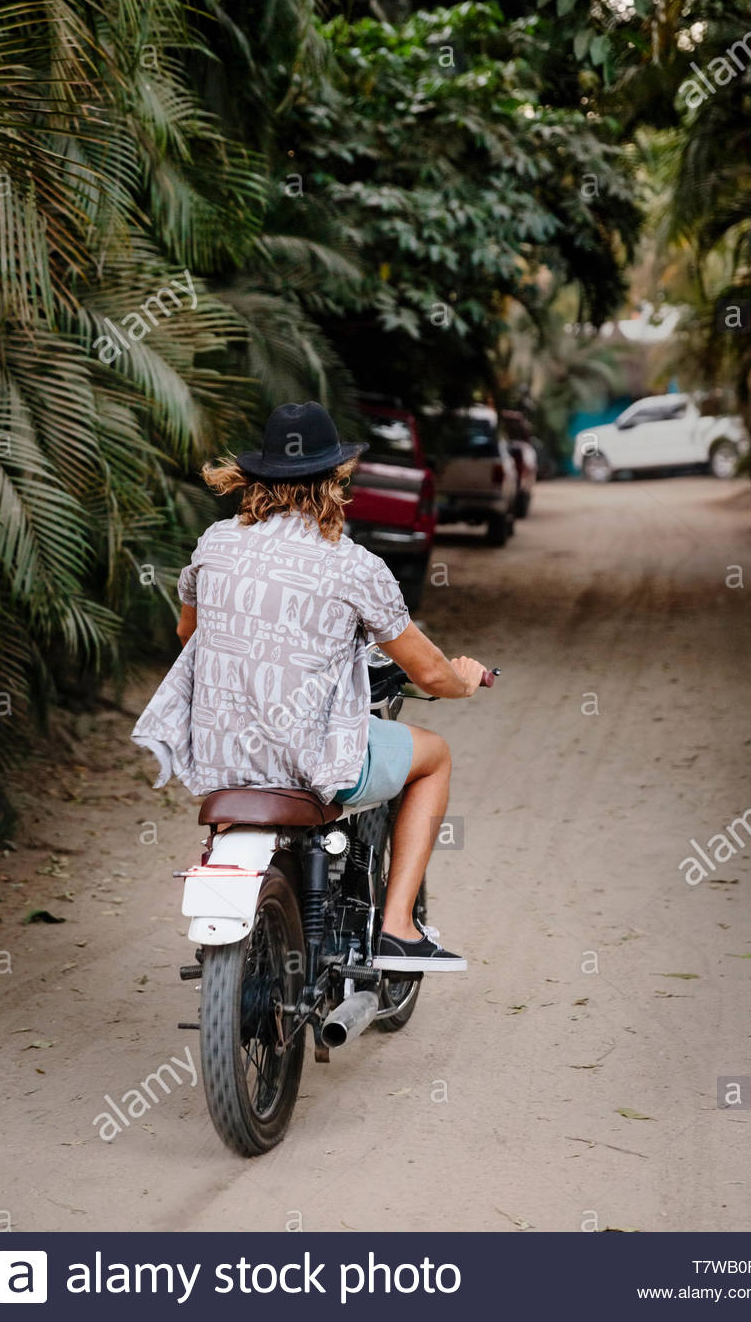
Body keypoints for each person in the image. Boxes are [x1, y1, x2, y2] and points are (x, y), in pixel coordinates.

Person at [132, 401, 488, 972]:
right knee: (436, 756)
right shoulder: (354, 567)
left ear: (257, 480)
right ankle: (396, 929)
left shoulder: (216, 544)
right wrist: (464, 681)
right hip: (310, 764)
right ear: (335, 480)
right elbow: (427, 671)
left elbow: (188, 632)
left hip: (221, 760)